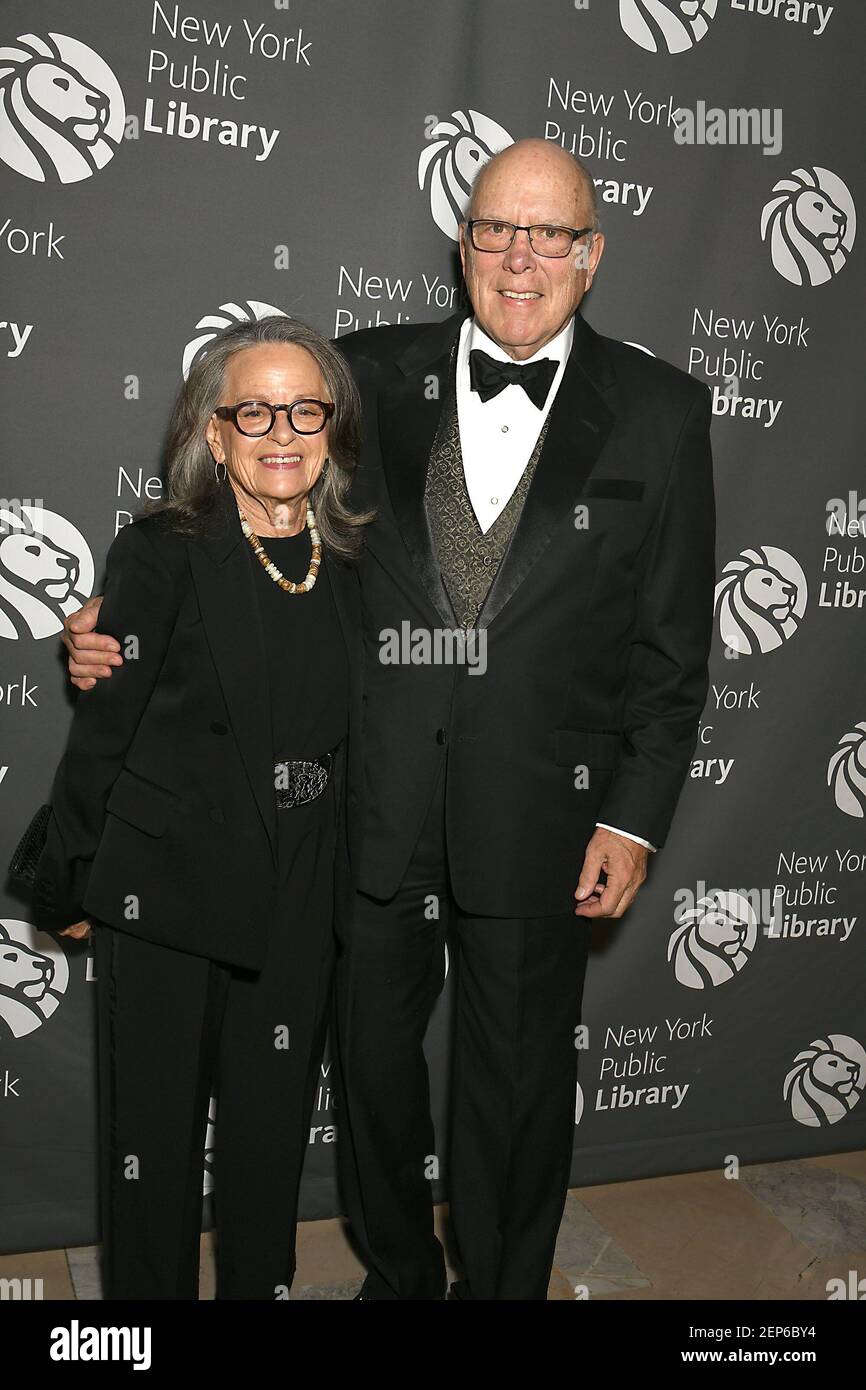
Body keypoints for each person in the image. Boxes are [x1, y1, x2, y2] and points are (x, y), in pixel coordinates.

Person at [64, 139, 716, 1301]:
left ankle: (503, 1286)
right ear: (459, 245)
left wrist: (633, 819)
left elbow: (672, 652)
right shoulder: (362, 373)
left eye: (549, 234)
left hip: (543, 811)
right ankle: (399, 1278)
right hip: (366, 805)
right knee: (368, 1075)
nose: (519, 258)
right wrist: (125, 628)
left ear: (591, 254)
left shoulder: (661, 412)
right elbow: (257, 531)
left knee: (513, 1083)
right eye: (493, 231)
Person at [30, 315, 370, 1299]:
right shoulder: (161, 551)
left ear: (331, 428)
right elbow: (107, 733)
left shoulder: (358, 563)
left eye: (304, 408)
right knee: (154, 1158)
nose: (280, 431)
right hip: (165, 904)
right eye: (252, 410)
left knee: (267, 1155)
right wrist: (75, 874)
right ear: (212, 434)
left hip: (298, 906)